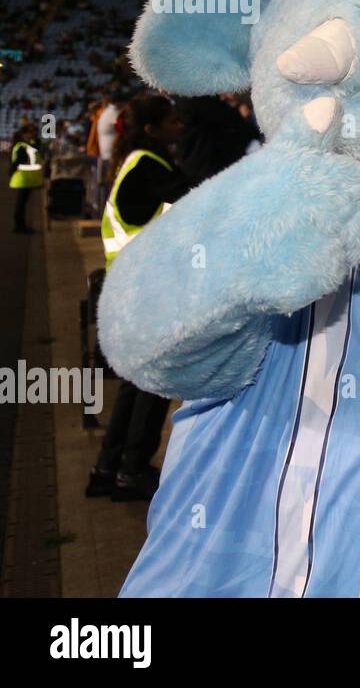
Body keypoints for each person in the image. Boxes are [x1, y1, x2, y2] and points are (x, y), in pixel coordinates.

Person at [88, 94, 193, 502]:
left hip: (127, 290)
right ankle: (131, 472)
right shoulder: (151, 167)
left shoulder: (135, 161)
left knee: (135, 387)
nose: (179, 127)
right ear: (152, 129)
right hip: (146, 293)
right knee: (152, 385)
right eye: (172, 122)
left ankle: (108, 467)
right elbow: (195, 193)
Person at [9, 121, 42, 234]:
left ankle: (21, 225)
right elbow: (18, 162)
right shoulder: (22, 146)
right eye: (32, 132)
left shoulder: (28, 143)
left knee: (22, 204)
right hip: (22, 178)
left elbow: (38, 146)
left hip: (26, 179)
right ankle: (19, 226)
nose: (34, 134)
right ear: (25, 134)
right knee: (21, 204)